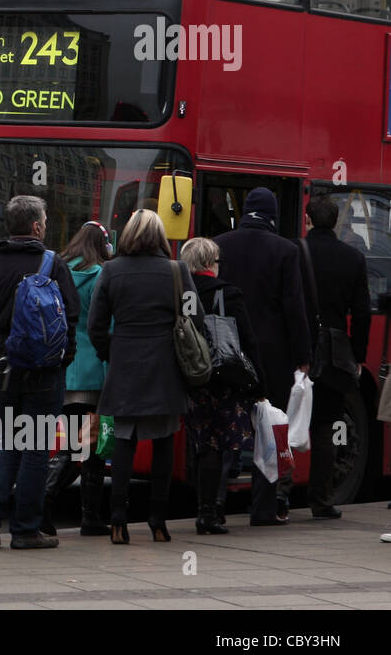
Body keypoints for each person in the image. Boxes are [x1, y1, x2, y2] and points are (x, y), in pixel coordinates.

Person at [0, 195, 79, 550]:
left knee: (11, 441)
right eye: (44, 222)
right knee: (36, 447)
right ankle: (25, 529)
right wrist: (63, 359)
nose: (45, 227)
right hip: (44, 371)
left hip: (4, 369)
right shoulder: (53, 264)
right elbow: (71, 318)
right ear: (35, 227)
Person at [88, 209, 198, 544]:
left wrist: (112, 352)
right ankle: (157, 520)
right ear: (160, 237)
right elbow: (196, 317)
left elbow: (95, 325)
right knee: (164, 441)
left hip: (125, 364)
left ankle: (118, 520)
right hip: (165, 367)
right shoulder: (177, 270)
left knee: (124, 440)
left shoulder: (110, 270)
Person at [214, 187, 309, 524]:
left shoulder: (220, 244)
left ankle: (215, 507)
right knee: (267, 428)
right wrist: (302, 355)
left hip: (228, 349)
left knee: (227, 427)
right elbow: (293, 308)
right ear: (272, 215)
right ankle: (263, 508)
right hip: (273, 354)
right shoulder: (286, 250)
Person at [181, 237, 264, 534]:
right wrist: (259, 384)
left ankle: (204, 509)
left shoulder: (180, 294)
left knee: (203, 444)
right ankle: (212, 512)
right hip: (224, 380)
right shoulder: (229, 294)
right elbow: (248, 339)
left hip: (193, 379)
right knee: (221, 445)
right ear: (209, 264)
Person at [300, 195, 371, 519]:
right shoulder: (353, 258)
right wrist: (357, 355)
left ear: (308, 219)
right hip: (334, 354)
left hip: (300, 350)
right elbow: (361, 313)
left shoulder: (294, 252)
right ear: (337, 221)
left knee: (285, 420)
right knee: (325, 427)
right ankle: (321, 500)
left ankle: (277, 496)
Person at [41, 221, 111, 537]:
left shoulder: (58, 270)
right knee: (91, 448)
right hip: (94, 371)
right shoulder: (101, 276)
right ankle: (84, 515)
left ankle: (52, 506)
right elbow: (104, 326)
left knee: (76, 443)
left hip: (65, 368)